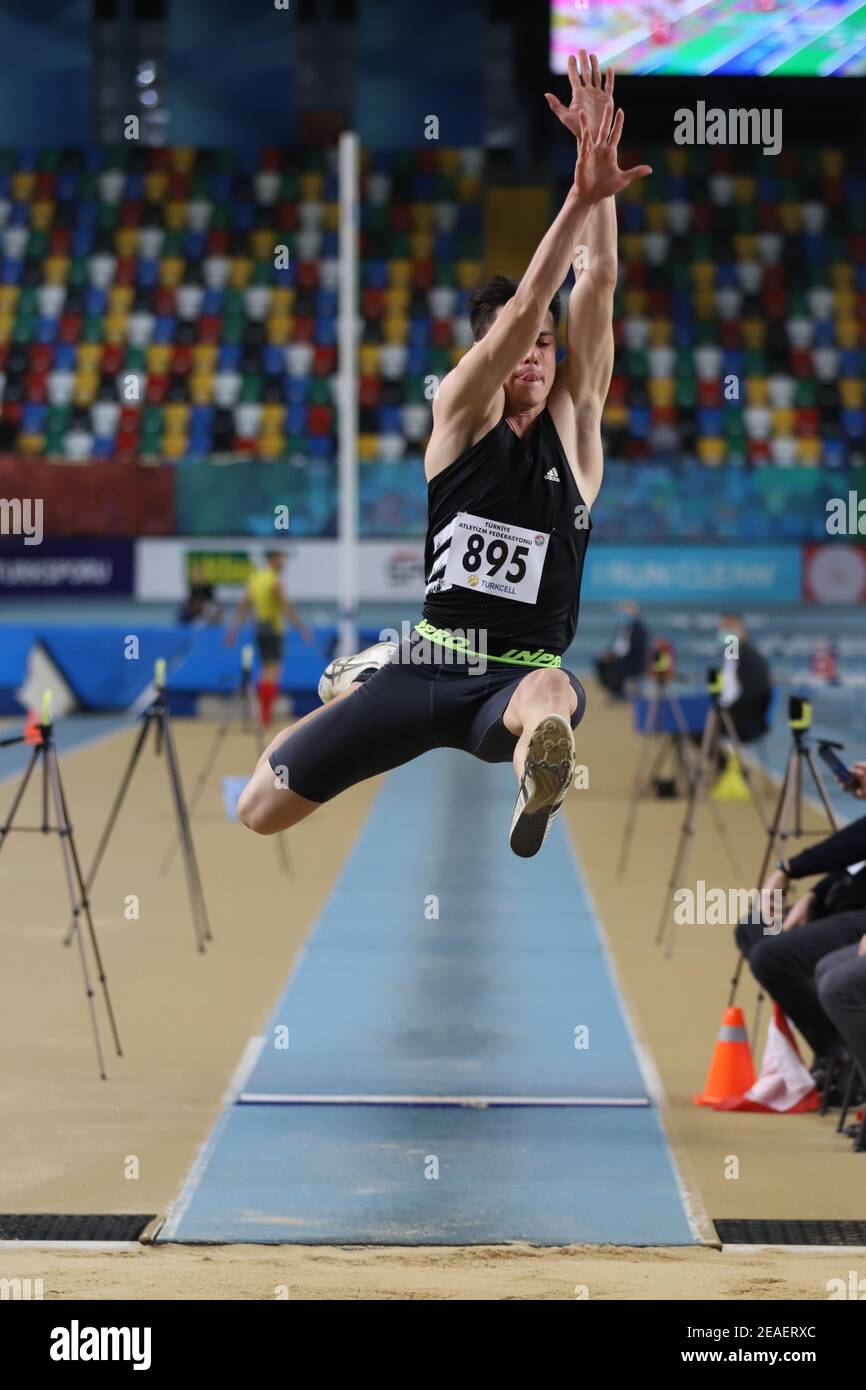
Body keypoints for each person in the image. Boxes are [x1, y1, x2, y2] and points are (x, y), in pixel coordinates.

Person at [238, 51, 651, 858]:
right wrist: (574, 197)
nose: (535, 352)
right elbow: (533, 301)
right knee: (258, 809)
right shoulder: (459, 414)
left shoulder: (576, 429)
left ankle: (539, 782)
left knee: (555, 693)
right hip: (427, 663)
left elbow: (594, 282)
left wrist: (596, 184)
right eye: (518, 346)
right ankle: (370, 675)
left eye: (545, 345)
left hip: (513, 677)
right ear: (489, 352)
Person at [736, 759, 866, 1077]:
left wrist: (791, 869)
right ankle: (837, 1050)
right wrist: (816, 892)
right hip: (842, 897)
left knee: (776, 957)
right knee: (756, 927)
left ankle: (844, 1057)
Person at [226, 550, 313, 727]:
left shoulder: (256, 579)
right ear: (273, 560)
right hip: (273, 629)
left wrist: (234, 630)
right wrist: (302, 629)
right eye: (281, 559)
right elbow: (286, 606)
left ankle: (261, 712)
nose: (284, 563)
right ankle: (265, 714)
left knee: (265, 670)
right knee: (273, 671)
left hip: (259, 628)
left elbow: (244, 605)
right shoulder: (275, 581)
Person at [595, 599, 648, 698]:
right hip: (619, 656)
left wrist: (617, 656)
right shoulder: (621, 627)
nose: (624, 613)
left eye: (626, 610)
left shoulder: (639, 629)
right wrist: (609, 653)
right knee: (600, 662)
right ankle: (612, 689)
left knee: (617, 664)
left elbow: (638, 650)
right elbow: (616, 644)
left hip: (633, 660)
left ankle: (619, 693)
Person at [177, 560, 222, 626]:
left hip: (207, 613)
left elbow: (214, 603)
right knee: (182, 613)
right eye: (196, 573)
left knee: (215, 611)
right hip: (194, 614)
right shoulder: (193, 587)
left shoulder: (209, 587)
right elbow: (190, 603)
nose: (198, 576)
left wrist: (207, 608)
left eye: (200, 573)